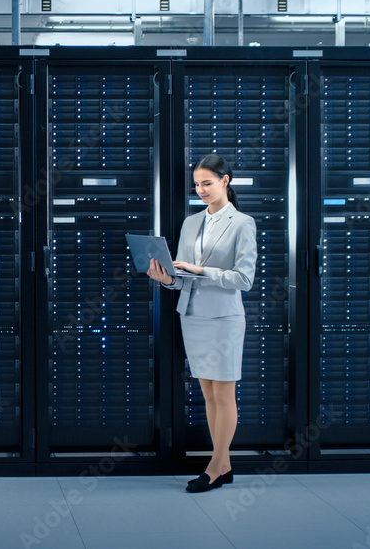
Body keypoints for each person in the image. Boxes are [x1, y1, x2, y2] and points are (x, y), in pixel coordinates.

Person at [146, 154, 257, 493]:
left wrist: (201, 270)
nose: (201, 190)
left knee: (224, 393)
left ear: (226, 181)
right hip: (192, 315)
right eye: (197, 184)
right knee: (208, 393)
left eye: (207, 183)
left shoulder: (242, 223)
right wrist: (165, 279)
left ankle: (215, 466)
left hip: (224, 318)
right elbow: (182, 277)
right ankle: (223, 465)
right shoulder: (191, 223)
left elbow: (244, 279)